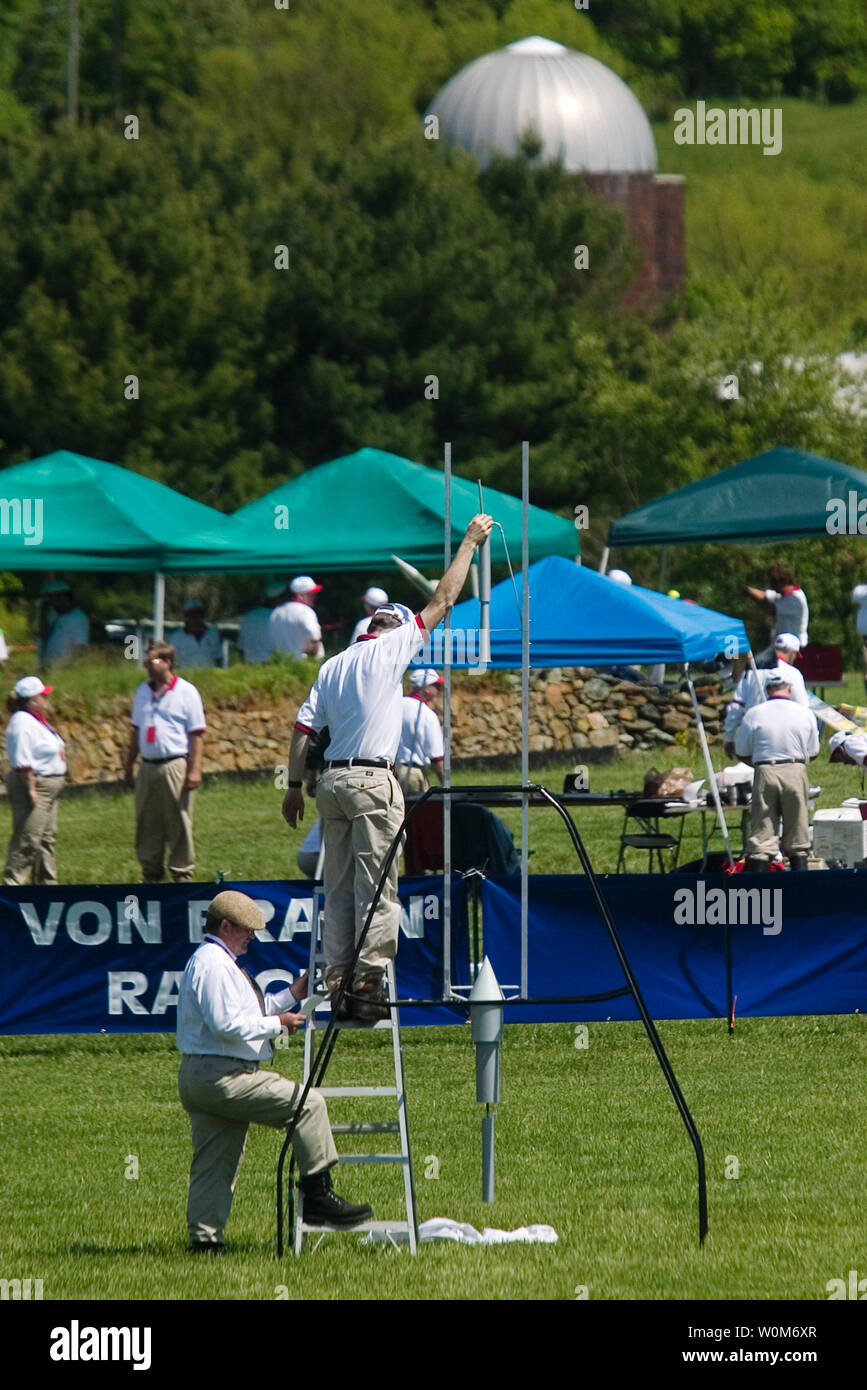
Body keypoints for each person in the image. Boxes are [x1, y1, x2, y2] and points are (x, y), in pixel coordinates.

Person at [282, 513, 494, 1023]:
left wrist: (292, 788)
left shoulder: (332, 665)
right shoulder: (394, 648)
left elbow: (301, 733)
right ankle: (369, 984)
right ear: (394, 628)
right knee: (377, 884)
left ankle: (337, 982)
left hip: (330, 782)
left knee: (337, 888)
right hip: (373, 779)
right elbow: (443, 599)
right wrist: (469, 542)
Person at [177, 889, 372, 1251]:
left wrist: (291, 996)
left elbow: (245, 1013)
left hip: (201, 1074)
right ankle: (317, 1196)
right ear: (225, 926)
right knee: (308, 1104)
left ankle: (205, 1241)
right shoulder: (215, 966)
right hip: (225, 1075)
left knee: (215, 1161)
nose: (252, 935)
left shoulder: (212, 961)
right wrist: (277, 1023)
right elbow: (225, 1024)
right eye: (246, 929)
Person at [124, 641, 205, 882]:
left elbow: (197, 734)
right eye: (147, 660)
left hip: (174, 764)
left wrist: (195, 769)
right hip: (147, 765)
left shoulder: (186, 692)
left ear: (168, 662)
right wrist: (129, 765)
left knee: (177, 820)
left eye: (153, 660)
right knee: (147, 821)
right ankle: (150, 872)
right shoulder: (142, 691)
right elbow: (135, 730)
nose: (148, 664)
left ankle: (181, 873)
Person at [734, 673, 819, 871]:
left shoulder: (754, 713)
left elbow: (741, 752)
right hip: (795, 768)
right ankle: (800, 885)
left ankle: (759, 891)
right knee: (798, 835)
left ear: (767, 689)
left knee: (762, 838)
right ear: (789, 688)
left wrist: (759, 763)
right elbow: (814, 752)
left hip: (765, 769)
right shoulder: (804, 712)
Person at [3, 676, 66, 884]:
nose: (46, 700)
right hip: (35, 785)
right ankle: (12, 887)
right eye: (43, 696)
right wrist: (31, 789)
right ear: (32, 700)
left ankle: (46, 888)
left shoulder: (36, 720)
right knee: (28, 840)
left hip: (48, 787)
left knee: (45, 840)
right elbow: (23, 760)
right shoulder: (22, 721)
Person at [723, 635, 811, 757]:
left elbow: (736, 706)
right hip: (784, 737)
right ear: (792, 653)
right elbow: (803, 708)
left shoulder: (751, 671)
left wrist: (729, 737)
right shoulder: (793, 674)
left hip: (754, 732)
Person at [744, 563, 809, 662]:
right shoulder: (783, 595)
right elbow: (765, 595)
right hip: (782, 646)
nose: (771, 585)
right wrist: (747, 589)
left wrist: (749, 594)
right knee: (756, 664)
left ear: (780, 582)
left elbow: (769, 609)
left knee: (756, 664)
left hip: (791, 649)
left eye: (773, 582)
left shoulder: (795, 599)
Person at [394, 669, 444, 793]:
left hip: (391, 771)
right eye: (436, 686)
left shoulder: (396, 704)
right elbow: (436, 757)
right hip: (412, 773)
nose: (438, 690)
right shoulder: (427, 714)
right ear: (426, 688)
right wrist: (445, 782)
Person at [270, 577, 324, 660]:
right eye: (311, 594)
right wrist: (313, 652)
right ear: (300, 595)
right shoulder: (305, 611)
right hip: (305, 663)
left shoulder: (277, 612)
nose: (314, 597)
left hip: (282, 662)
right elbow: (314, 635)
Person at [238, 580, 287, 663]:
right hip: (272, 665)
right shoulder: (280, 617)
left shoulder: (249, 615)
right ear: (279, 598)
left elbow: (241, 647)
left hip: (249, 664)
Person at [40, 581, 89, 664]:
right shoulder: (59, 617)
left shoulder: (77, 618)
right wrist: (43, 612)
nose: (51, 604)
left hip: (65, 671)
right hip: (53, 669)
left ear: (63, 598)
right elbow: (43, 634)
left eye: (53, 599)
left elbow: (80, 648)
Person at [169, 598, 222, 668]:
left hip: (210, 676)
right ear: (186, 617)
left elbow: (218, 660)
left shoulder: (212, 634)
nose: (195, 618)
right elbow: (172, 663)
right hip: (186, 676)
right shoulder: (176, 637)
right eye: (192, 615)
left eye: (198, 614)